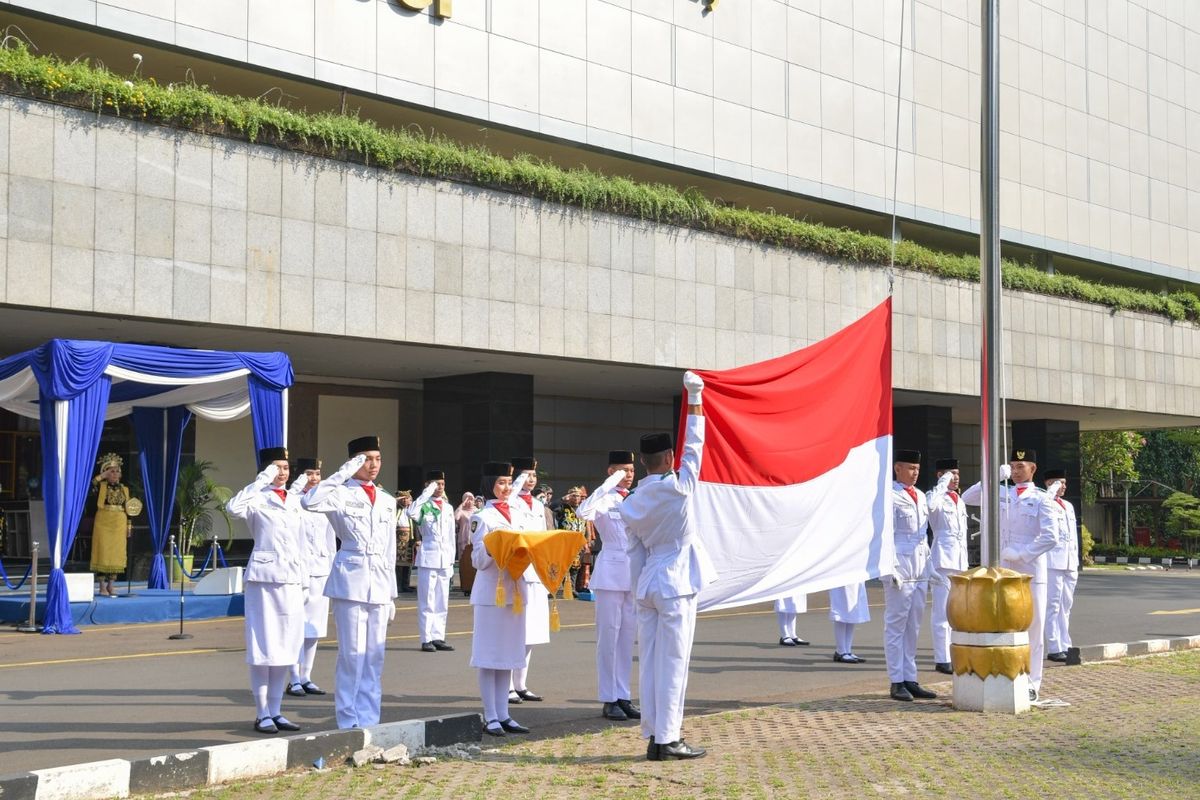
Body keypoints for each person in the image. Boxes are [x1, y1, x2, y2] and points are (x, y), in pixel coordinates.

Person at [619, 371, 715, 761]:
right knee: (674, 663)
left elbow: (634, 552)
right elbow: (696, 444)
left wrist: (639, 590)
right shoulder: (678, 489)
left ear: (642, 463)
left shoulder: (630, 503)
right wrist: (695, 397)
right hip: (676, 581)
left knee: (651, 665)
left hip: (648, 584)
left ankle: (655, 736)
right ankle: (669, 738)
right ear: (668, 459)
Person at [302, 437, 398, 729]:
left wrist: (392, 594)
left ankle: (370, 719)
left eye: (377, 459)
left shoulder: (386, 500)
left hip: (380, 582)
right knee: (352, 655)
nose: (373, 465)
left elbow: (390, 549)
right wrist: (343, 472)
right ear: (353, 461)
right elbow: (309, 500)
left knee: (374, 657)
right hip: (351, 580)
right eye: (366, 459)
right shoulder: (340, 494)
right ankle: (348, 720)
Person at [962, 447, 1060, 701]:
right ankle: (1007, 676)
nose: (1016, 472)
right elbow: (968, 497)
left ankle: (1031, 682)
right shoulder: (1001, 493)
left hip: (1029, 569)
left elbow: (1051, 537)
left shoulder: (1041, 499)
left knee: (1032, 628)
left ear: (1033, 469)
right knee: (1002, 624)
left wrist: (1023, 553)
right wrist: (994, 476)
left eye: (1021, 467)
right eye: (1013, 467)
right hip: (1002, 570)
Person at [226, 447, 306, 734]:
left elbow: (301, 542)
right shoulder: (256, 497)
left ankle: (277, 710)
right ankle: (262, 713)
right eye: (276, 467)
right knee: (264, 646)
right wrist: (261, 480)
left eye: (285, 467)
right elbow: (232, 508)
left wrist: (304, 581)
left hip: (291, 579)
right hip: (264, 578)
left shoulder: (295, 500)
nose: (282, 473)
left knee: (286, 647)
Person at [468, 461, 530, 737]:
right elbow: (477, 560)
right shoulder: (482, 517)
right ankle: (490, 715)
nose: (506, 488)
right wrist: (497, 546)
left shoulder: (518, 514)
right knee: (489, 656)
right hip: (491, 592)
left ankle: (504, 713)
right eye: (501, 482)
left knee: (509, 655)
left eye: (509, 482)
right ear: (490, 484)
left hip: (515, 591)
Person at [578, 451, 641, 723]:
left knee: (627, 640)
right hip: (611, 573)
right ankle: (609, 698)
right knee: (609, 640)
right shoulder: (604, 499)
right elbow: (583, 512)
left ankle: (623, 695)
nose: (628, 475)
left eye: (630, 470)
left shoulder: (636, 497)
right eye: (622, 470)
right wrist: (606, 486)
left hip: (634, 573)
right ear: (611, 471)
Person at [884, 450, 938, 702]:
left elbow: (923, 536)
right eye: (910, 468)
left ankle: (910, 677)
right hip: (900, 567)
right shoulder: (890, 496)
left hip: (919, 567)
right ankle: (896, 680)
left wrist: (930, 567)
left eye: (917, 469)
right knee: (896, 626)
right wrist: (890, 567)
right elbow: (884, 537)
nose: (915, 473)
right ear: (897, 468)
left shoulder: (918, 495)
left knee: (913, 627)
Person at [287, 457, 336, 697]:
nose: (314, 478)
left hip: (321, 570)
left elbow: (330, 539)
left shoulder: (323, 502)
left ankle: (307, 675)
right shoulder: (292, 501)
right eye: (309, 473)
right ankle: (293, 677)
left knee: (315, 628)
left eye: (317, 473)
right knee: (296, 626)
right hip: (298, 571)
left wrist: (332, 569)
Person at [508, 456, 549, 704]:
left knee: (532, 631)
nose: (530, 480)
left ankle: (521, 683)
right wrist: (517, 484)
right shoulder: (510, 502)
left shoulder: (537, 504)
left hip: (536, 572)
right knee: (515, 631)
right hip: (517, 571)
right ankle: (508, 686)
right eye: (525, 475)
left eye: (533, 476)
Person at [927, 457, 968, 675]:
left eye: (957, 474)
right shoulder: (936, 497)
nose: (955, 478)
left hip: (959, 560)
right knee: (941, 612)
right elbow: (929, 506)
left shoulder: (957, 500)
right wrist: (942, 484)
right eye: (950, 474)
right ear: (940, 476)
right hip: (942, 561)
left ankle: (954, 654)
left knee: (957, 613)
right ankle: (941, 658)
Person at [407, 470, 457, 652]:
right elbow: (410, 512)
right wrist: (427, 492)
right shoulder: (423, 505)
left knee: (442, 600)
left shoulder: (448, 507)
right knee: (427, 600)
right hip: (428, 557)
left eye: (442, 484)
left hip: (445, 559)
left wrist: (452, 561)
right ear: (428, 485)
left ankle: (438, 636)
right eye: (436, 484)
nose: (440, 488)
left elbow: (451, 536)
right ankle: (426, 638)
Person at [1042, 469, 1078, 663]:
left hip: (1069, 561)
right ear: (1049, 483)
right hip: (1053, 561)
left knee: (1066, 605)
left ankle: (1066, 644)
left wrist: (1076, 560)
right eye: (1058, 482)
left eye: (1064, 482)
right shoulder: (1044, 500)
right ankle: (1054, 646)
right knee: (1052, 606)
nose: (1063, 486)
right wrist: (1050, 491)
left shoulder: (1068, 506)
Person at [90, 453, 134, 598]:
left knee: (116, 553)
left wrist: (128, 526)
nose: (114, 474)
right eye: (111, 471)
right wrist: (102, 475)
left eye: (117, 471)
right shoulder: (101, 486)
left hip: (119, 522)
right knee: (102, 551)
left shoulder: (125, 489)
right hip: (103, 521)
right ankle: (102, 585)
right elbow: (92, 484)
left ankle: (111, 584)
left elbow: (129, 509)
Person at [557, 486, 592, 593]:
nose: (576, 498)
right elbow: (552, 507)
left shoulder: (583, 509)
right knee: (563, 565)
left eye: (578, 496)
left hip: (578, 542)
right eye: (574, 496)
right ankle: (560, 588)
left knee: (575, 566)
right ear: (569, 496)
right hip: (565, 541)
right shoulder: (562, 507)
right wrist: (563, 499)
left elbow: (587, 526)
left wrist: (587, 541)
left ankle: (572, 589)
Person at [829, 583, 869, 663]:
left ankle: (847, 650)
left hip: (855, 578)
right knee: (841, 611)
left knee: (852, 613)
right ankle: (840, 651)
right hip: (842, 578)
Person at [454, 491, 477, 598]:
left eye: (471, 499)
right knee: (464, 565)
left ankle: (475, 587)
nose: (469, 501)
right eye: (467, 499)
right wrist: (461, 505)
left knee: (474, 565)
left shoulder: (477, 511)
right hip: (463, 541)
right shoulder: (461, 511)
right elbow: (455, 518)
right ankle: (466, 587)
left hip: (474, 541)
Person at [395, 490, 415, 593]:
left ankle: (405, 584)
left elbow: (416, 525)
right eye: (404, 499)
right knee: (398, 564)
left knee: (408, 563)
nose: (406, 501)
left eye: (407, 498)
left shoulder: (411, 511)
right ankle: (397, 585)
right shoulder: (395, 509)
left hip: (409, 539)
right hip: (397, 539)